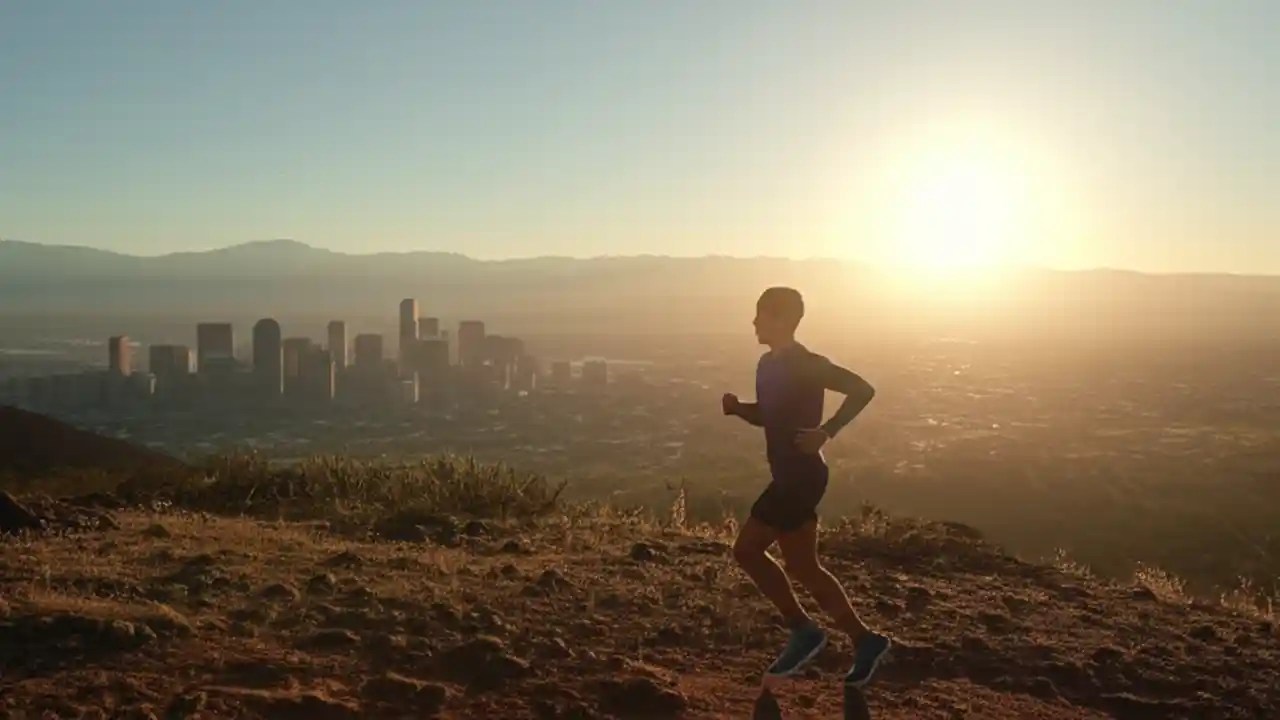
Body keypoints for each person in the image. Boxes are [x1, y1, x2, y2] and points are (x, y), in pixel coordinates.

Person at [722, 286, 891, 688]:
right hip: (790, 476)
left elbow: (863, 389)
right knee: (802, 566)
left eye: (760, 315)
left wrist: (826, 431)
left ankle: (804, 630)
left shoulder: (809, 364)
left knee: (746, 550)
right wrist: (738, 409)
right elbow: (769, 415)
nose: (754, 323)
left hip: (802, 477)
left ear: (781, 320)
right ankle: (865, 640)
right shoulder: (766, 366)